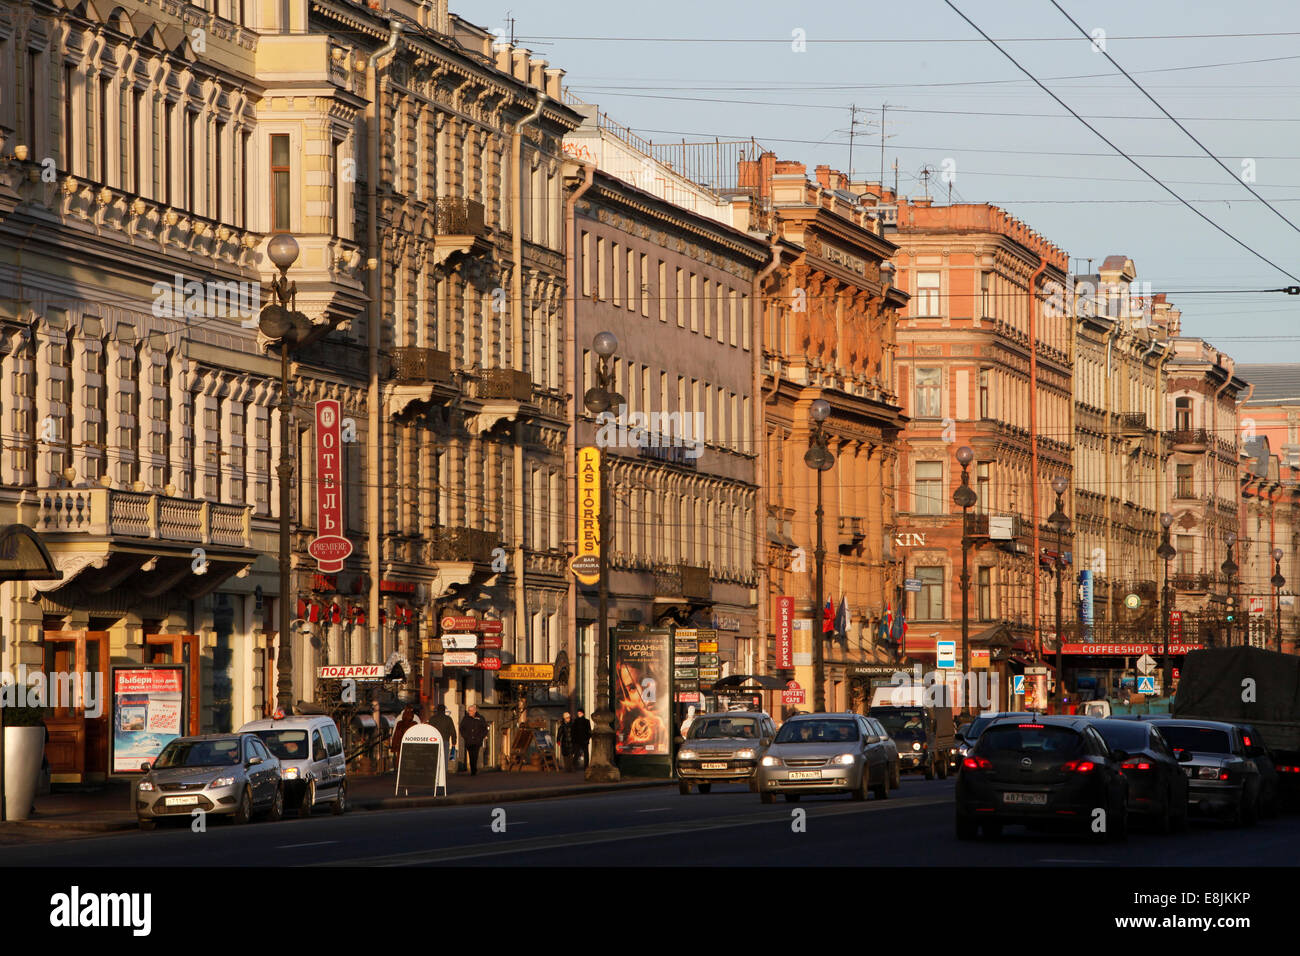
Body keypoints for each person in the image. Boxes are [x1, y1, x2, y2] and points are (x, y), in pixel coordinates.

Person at [459, 703, 489, 775]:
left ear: (475, 711)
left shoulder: (480, 718)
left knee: (475, 755)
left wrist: (481, 736)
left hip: (477, 741)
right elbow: (461, 728)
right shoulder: (465, 718)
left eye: (471, 711)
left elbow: (485, 728)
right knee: (471, 755)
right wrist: (465, 736)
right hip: (469, 740)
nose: (469, 712)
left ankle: (473, 770)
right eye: (469, 711)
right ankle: (473, 769)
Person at [430, 704, 457, 772]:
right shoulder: (448, 719)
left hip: (434, 741)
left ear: (437, 710)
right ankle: (443, 772)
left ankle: (435, 771)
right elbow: (452, 731)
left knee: (435, 757)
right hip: (445, 740)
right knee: (444, 758)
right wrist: (454, 742)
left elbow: (430, 730)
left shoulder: (432, 719)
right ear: (444, 710)